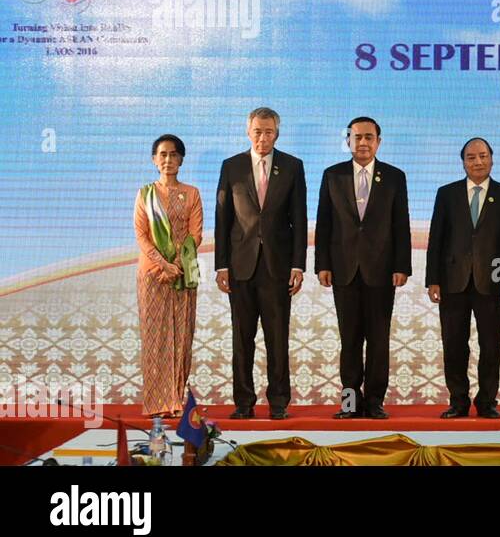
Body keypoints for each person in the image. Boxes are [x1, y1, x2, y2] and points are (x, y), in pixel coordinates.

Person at [214, 107, 307, 420]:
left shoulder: (293, 166)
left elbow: (299, 218)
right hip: (241, 266)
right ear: (248, 132)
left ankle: (279, 402)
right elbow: (223, 218)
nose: (263, 137)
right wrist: (221, 265)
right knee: (242, 338)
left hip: (278, 267)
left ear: (276, 133)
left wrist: (298, 265)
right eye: (257, 131)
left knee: (277, 338)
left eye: (269, 132)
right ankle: (243, 402)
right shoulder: (232, 166)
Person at [315, 117, 411, 420]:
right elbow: (324, 223)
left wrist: (402, 266)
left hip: (382, 271)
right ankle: (349, 402)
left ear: (378, 142)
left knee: (379, 339)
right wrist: (322, 265)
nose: (363, 143)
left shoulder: (395, 177)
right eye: (357, 137)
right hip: (343, 269)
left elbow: (400, 224)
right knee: (350, 339)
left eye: (369, 137)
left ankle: (374, 402)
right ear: (348, 141)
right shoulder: (333, 175)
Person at [426, 137, 500, 419]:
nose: (477, 162)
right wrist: (433, 279)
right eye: (471, 157)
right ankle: (458, 401)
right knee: (454, 344)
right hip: (452, 281)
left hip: (492, 282)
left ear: (492, 159)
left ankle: (487, 401)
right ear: (463, 162)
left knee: (491, 345)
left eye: (482, 156)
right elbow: (436, 240)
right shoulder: (447, 194)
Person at [134, 134, 202, 418]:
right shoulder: (145, 194)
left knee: (181, 337)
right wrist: (163, 264)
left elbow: (195, 234)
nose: (168, 160)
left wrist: (177, 265)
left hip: (184, 275)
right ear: (154, 160)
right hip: (152, 276)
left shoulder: (192, 193)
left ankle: (175, 399)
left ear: (181, 160)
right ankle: (156, 402)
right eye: (162, 155)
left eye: (174, 155)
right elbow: (141, 235)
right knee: (155, 339)